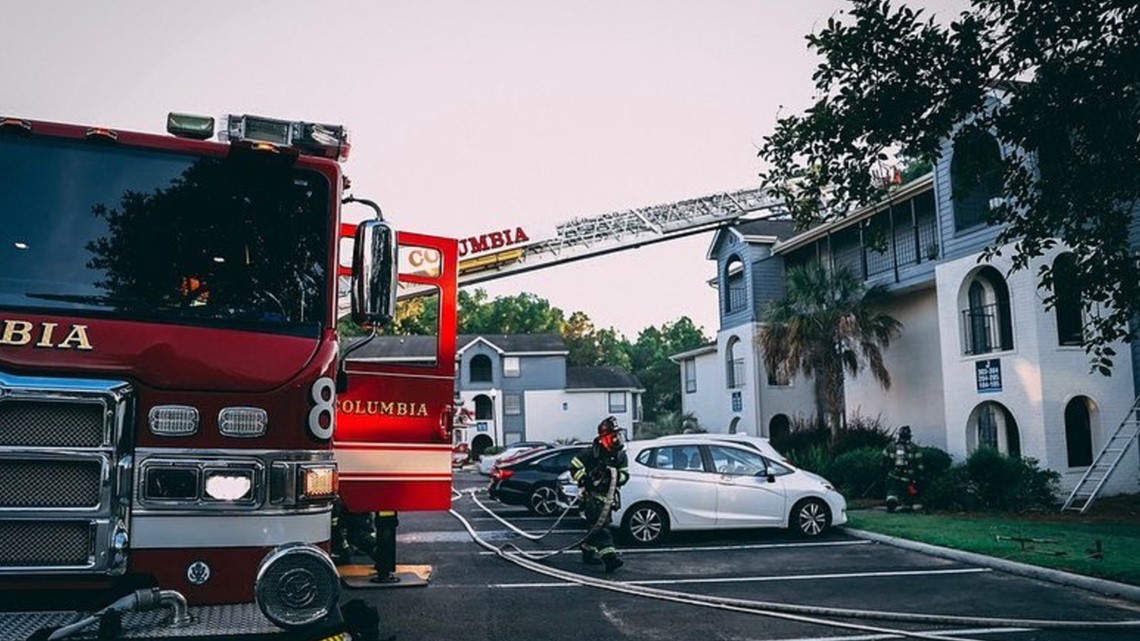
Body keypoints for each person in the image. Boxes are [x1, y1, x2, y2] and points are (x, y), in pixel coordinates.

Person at [569, 416, 629, 573]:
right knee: (601, 528)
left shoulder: (620, 456)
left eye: (617, 435)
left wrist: (616, 478)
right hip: (591, 497)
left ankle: (587, 550)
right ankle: (610, 559)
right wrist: (585, 479)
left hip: (608, 498)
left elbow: (625, 475)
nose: (616, 439)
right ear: (603, 438)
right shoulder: (590, 454)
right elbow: (574, 467)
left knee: (598, 527)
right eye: (612, 436)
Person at [883, 425, 923, 512]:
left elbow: (884, 459)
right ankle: (907, 506)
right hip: (908, 475)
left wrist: (887, 469)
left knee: (892, 490)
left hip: (893, 474)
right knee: (908, 490)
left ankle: (891, 503)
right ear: (909, 436)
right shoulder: (914, 447)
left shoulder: (891, 445)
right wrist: (919, 473)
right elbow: (919, 464)